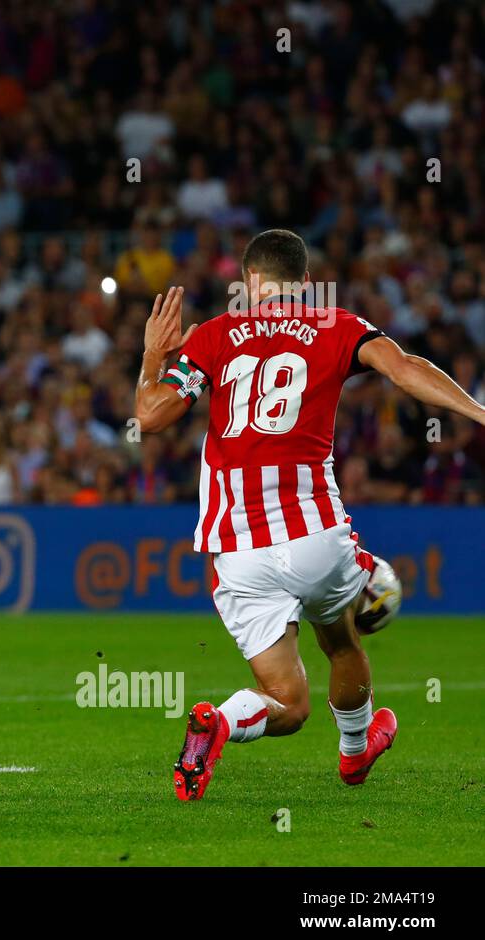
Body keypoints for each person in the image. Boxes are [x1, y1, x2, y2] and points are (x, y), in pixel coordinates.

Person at [135, 229, 485, 800]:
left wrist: (154, 355)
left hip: (238, 549)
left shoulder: (215, 336)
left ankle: (221, 722)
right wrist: (477, 411)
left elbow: (149, 416)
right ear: (303, 282)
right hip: (312, 534)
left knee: (286, 704)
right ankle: (355, 752)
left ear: (248, 281)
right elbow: (404, 368)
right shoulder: (334, 326)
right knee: (341, 642)